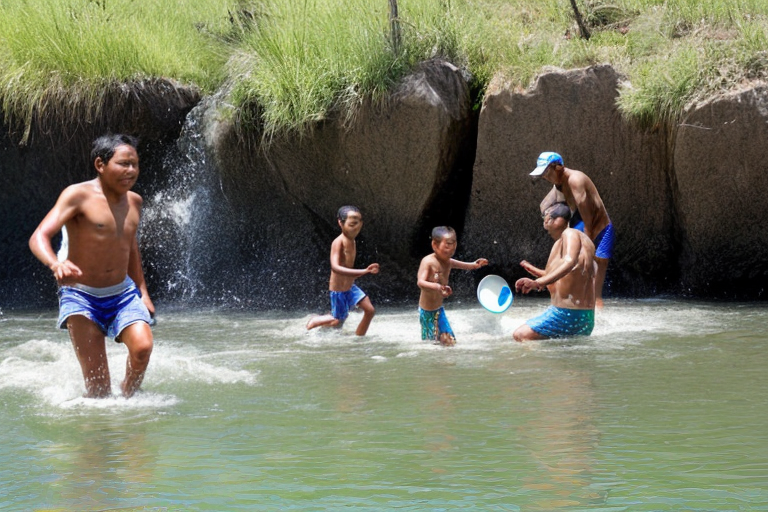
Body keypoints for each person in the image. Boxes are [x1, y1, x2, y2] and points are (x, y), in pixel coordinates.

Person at [29, 134, 155, 398]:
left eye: (135, 164)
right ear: (100, 164)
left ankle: (129, 398)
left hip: (122, 294)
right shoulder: (77, 195)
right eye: (123, 164)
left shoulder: (134, 201)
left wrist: (142, 292)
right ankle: (98, 434)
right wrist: (56, 264)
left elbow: (130, 248)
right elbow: (39, 236)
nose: (130, 171)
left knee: (142, 347)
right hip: (81, 297)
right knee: (98, 389)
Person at [530, 151, 614, 307]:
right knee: (571, 265)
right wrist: (547, 217)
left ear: (558, 167)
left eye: (546, 172)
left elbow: (588, 216)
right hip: (580, 223)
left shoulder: (575, 180)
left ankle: (599, 315)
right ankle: (551, 280)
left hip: (600, 229)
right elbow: (544, 206)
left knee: (594, 282)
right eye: (542, 174)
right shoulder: (559, 183)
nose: (545, 177)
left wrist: (586, 246)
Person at [513, 202, 597, 342]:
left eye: (546, 217)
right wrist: (533, 271)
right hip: (585, 317)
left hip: (566, 314)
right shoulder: (579, 240)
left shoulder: (570, 233)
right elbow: (565, 276)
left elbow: (570, 262)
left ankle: (541, 364)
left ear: (550, 220)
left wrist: (537, 282)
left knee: (520, 335)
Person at [306, 205, 380, 336]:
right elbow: (336, 267)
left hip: (350, 286)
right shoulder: (338, 242)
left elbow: (347, 266)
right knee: (337, 320)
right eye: (352, 224)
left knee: (369, 310)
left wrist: (360, 274)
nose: (356, 227)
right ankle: (315, 320)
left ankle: (358, 338)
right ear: (340, 223)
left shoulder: (352, 241)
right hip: (339, 289)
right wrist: (363, 271)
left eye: (359, 223)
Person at [417, 226, 488, 346]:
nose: (451, 249)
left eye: (454, 245)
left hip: (439, 310)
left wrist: (474, 265)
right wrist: (437, 287)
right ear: (434, 245)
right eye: (447, 245)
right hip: (427, 313)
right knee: (430, 344)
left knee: (450, 341)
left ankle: (447, 361)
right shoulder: (428, 261)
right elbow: (421, 282)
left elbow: (462, 265)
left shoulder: (448, 261)